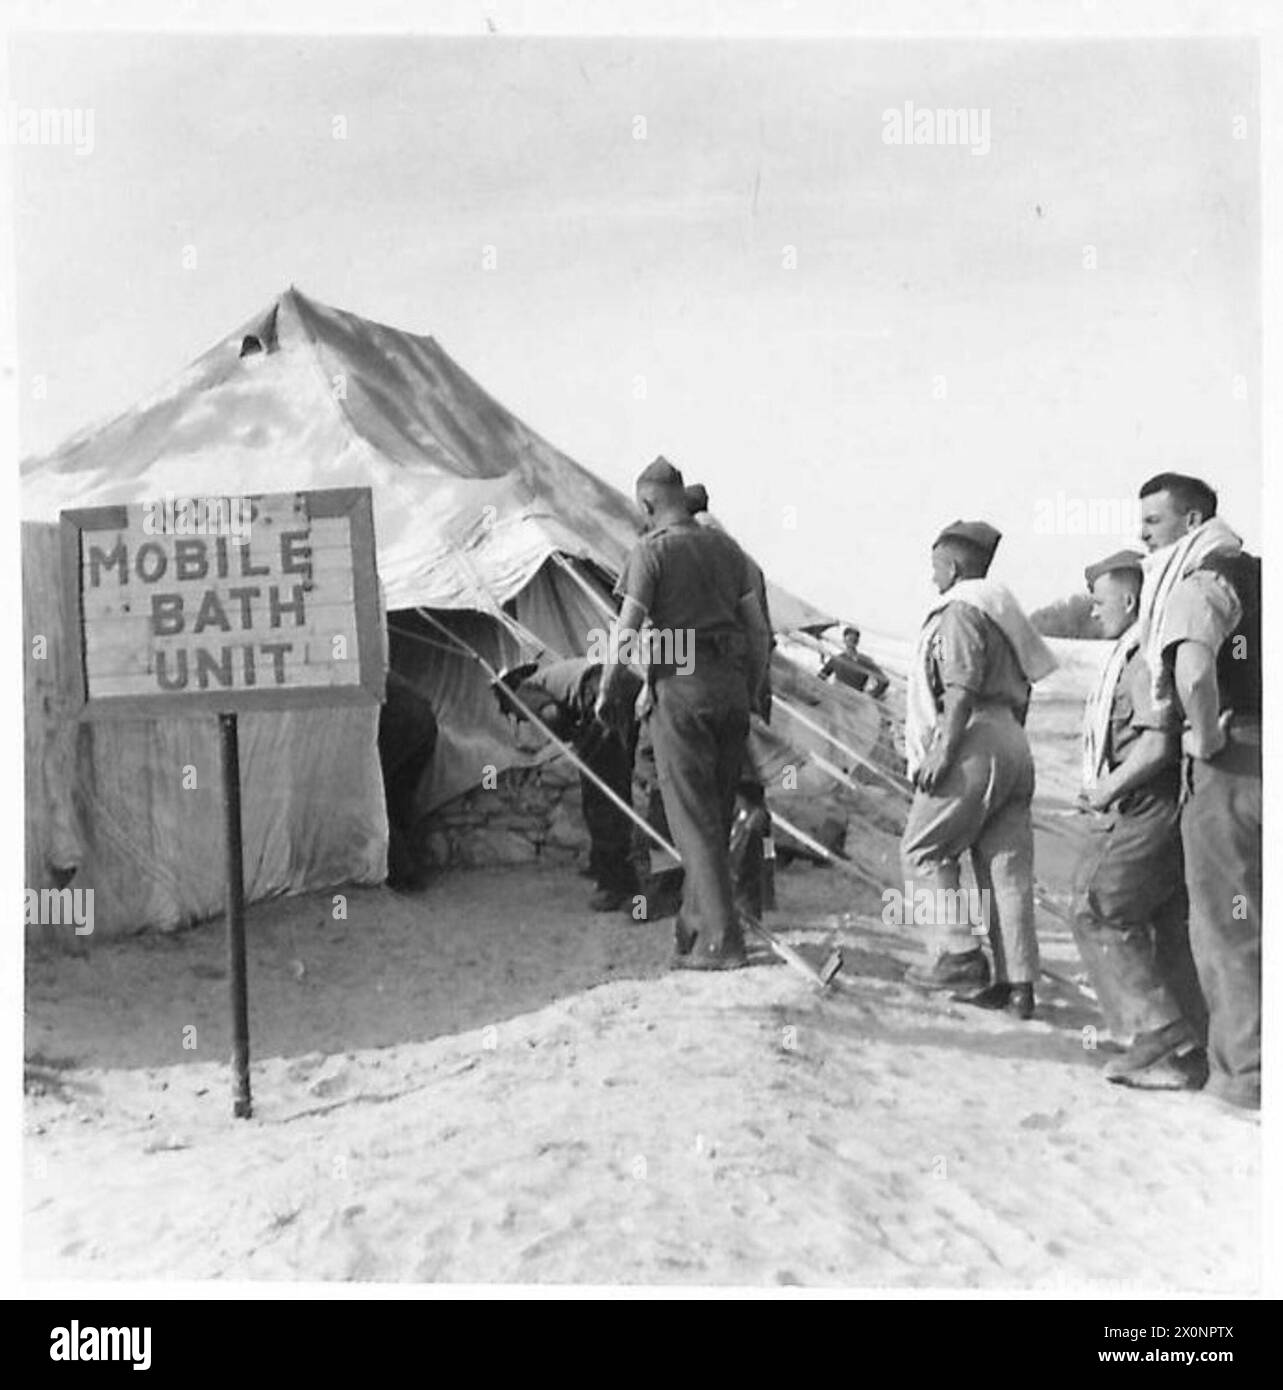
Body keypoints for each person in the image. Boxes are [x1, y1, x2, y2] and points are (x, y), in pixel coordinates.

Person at [597, 456, 772, 969]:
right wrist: (756, 687)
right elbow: (758, 632)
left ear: (648, 504)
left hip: (682, 688)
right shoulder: (729, 550)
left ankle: (722, 942)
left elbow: (626, 629)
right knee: (713, 815)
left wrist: (611, 687)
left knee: (691, 821)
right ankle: (694, 928)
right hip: (731, 688)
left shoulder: (651, 553)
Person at [1136, 472, 1261, 1112]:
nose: (1142, 536)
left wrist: (1206, 737)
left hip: (1236, 764)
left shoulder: (1201, 578)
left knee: (1227, 924)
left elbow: (1192, 669)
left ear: (1190, 523)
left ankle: (1244, 1079)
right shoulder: (1262, 571)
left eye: (1152, 524)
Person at [901, 520, 1057, 1018]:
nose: (932, 579)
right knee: (1005, 870)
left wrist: (944, 751)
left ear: (953, 566)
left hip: (972, 737)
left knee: (922, 849)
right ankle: (1019, 985)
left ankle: (957, 955)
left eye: (935, 568)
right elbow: (1027, 687)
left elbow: (961, 686)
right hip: (1012, 738)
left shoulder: (962, 610)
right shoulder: (1006, 613)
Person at [1071, 549, 1207, 1088]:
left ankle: (1157, 1028)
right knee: (1164, 924)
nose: (1091, 613)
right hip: (1150, 804)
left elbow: (1156, 748)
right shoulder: (1128, 657)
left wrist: (1104, 792)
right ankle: (1187, 1048)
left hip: (1149, 805)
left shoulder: (1143, 661)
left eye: (1098, 601)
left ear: (1129, 599)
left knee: (1099, 908)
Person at [493, 657, 644, 912]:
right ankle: (606, 864)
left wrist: (572, 736)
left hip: (601, 694)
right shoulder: (553, 676)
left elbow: (551, 713)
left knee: (601, 798)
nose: (519, 717)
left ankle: (616, 885)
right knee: (616, 785)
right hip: (625, 684)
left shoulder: (522, 691)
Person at [818, 626, 890, 699]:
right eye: (850, 639)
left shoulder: (865, 661)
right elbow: (820, 677)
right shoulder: (836, 659)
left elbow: (884, 681)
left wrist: (870, 695)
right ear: (844, 640)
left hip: (856, 702)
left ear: (857, 641)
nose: (852, 642)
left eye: (854, 639)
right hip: (837, 700)